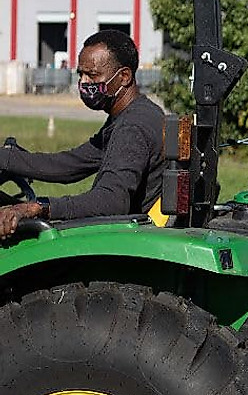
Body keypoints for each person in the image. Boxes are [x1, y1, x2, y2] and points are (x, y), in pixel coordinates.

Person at [0, 29, 165, 238]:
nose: (84, 83)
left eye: (93, 75)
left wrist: (39, 207)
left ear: (124, 76)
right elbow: (70, 165)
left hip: (129, 239)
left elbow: (111, 201)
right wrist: (5, 158)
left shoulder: (132, 127)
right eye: (81, 74)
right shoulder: (134, 114)